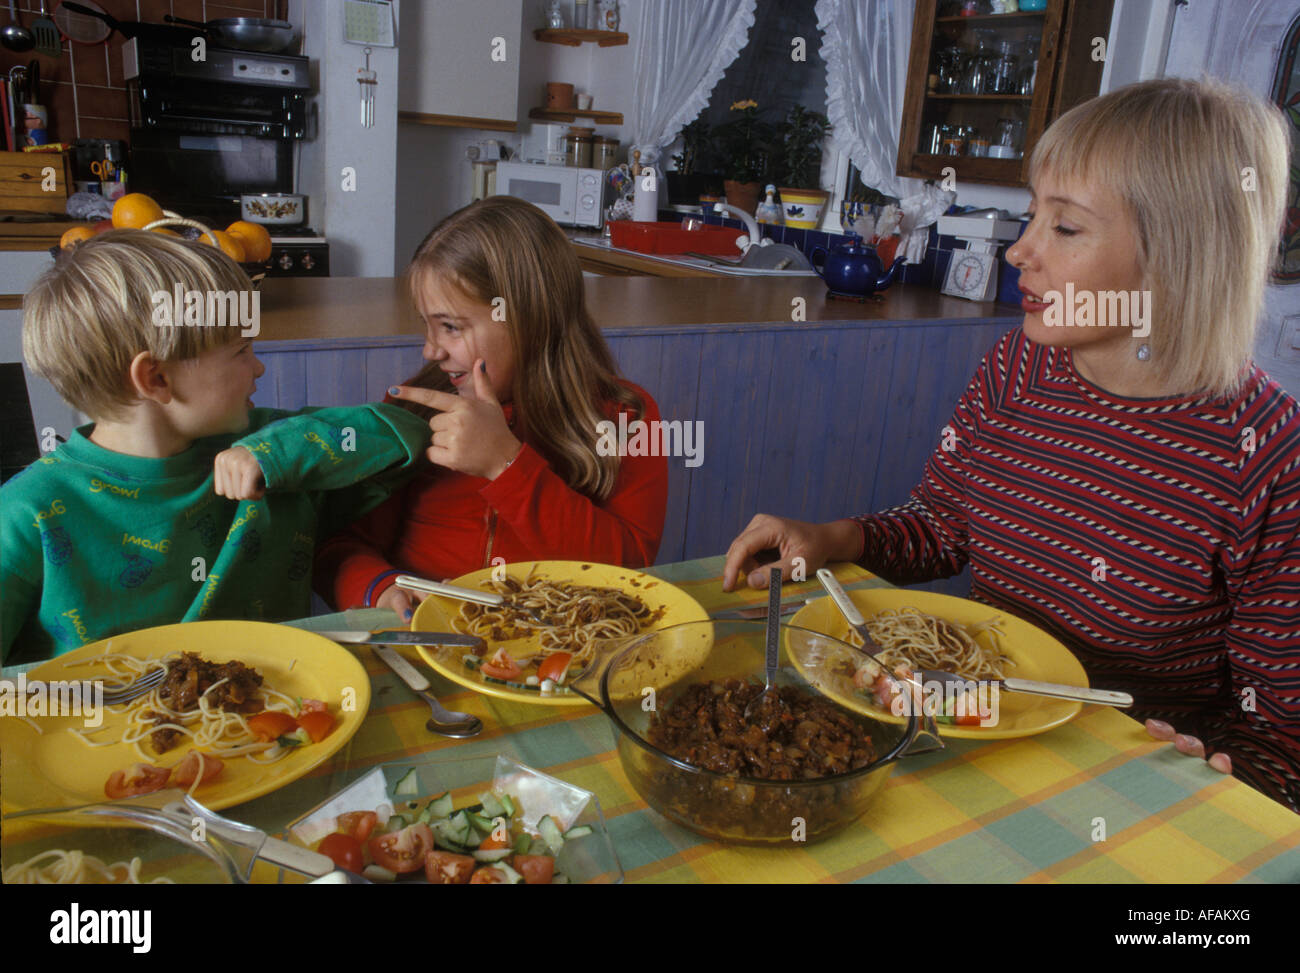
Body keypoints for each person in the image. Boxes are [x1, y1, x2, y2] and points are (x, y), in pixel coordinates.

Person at [721, 78, 1300, 812]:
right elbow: (942, 527)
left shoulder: (1268, 454)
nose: (1021, 251)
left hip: (1125, 797)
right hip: (979, 742)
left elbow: (1279, 738)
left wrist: (1211, 771)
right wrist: (831, 535)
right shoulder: (1017, 367)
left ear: (1179, 256)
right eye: (1032, 215)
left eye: (1065, 228)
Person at [1, 231, 432, 663]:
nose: (259, 366)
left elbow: (407, 435)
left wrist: (276, 454)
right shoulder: (26, 512)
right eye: (242, 351)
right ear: (156, 379)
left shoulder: (273, 449)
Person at [314, 197, 668, 616]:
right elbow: (338, 545)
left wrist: (505, 465)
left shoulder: (629, 417)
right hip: (422, 642)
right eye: (427, 325)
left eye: (450, 327)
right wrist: (382, 588)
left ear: (527, 318)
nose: (431, 350)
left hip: (556, 646)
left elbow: (629, 568)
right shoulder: (413, 409)